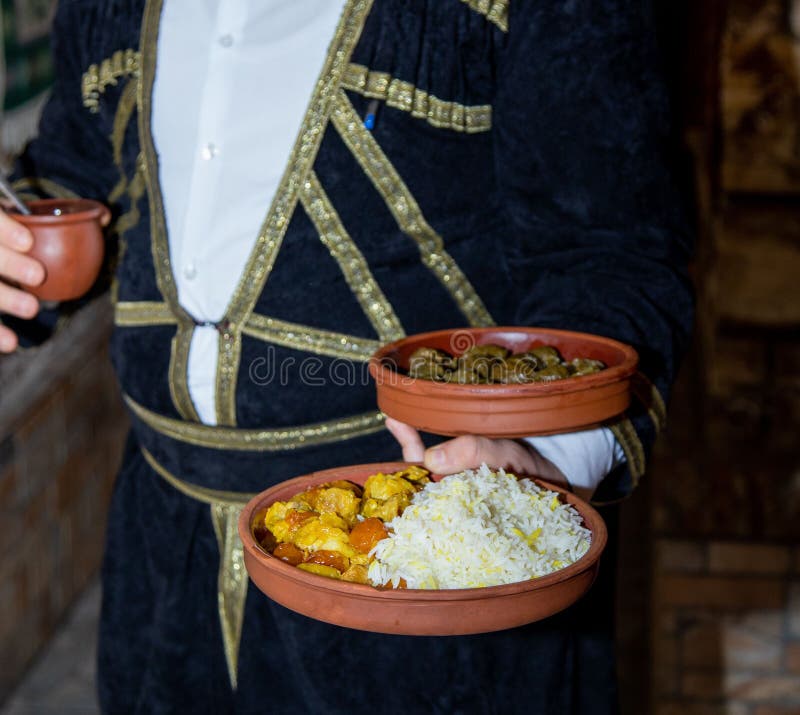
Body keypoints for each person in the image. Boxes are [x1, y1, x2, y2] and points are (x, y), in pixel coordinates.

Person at [0, 1, 693, 713]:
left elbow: (613, 255)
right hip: (162, 555)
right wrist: (17, 250)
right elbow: (78, 169)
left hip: (430, 565)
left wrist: (541, 457)